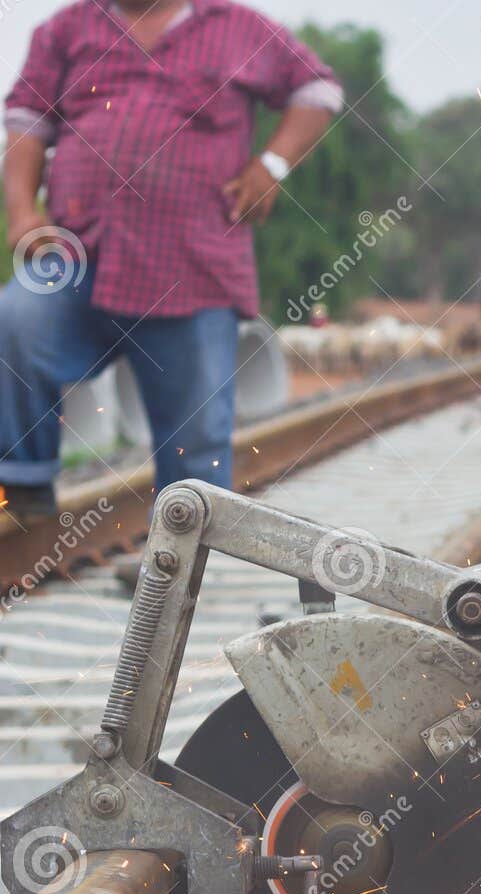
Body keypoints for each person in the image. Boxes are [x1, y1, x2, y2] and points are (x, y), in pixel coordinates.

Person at [0, 0, 343, 524]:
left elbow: (318, 90)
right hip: (80, 250)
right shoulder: (68, 29)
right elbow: (27, 120)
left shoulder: (235, 26)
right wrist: (23, 209)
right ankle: (24, 485)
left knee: (194, 446)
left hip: (193, 266)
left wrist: (271, 165)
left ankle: (180, 567)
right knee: (18, 318)